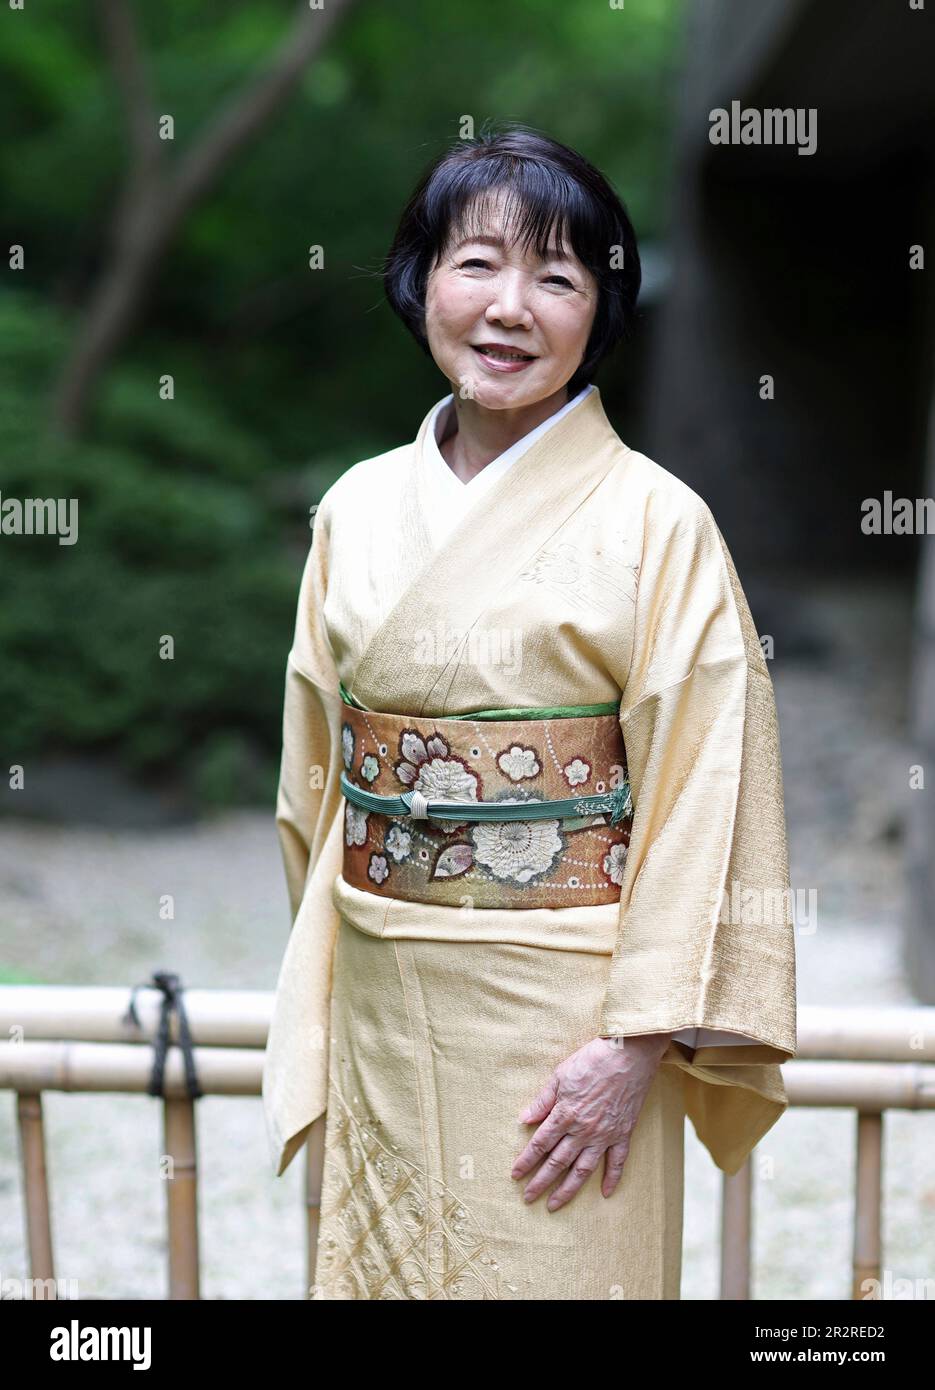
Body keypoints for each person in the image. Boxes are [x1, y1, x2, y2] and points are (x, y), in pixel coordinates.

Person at [261, 124, 797, 1300]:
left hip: (572, 1024)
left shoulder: (658, 521)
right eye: (477, 264)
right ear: (419, 282)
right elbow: (313, 771)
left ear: (599, 311)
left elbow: (707, 788)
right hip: (385, 997)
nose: (510, 307)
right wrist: (331, 966)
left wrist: (636, 1044)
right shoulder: (355, 509)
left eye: (556, 277)